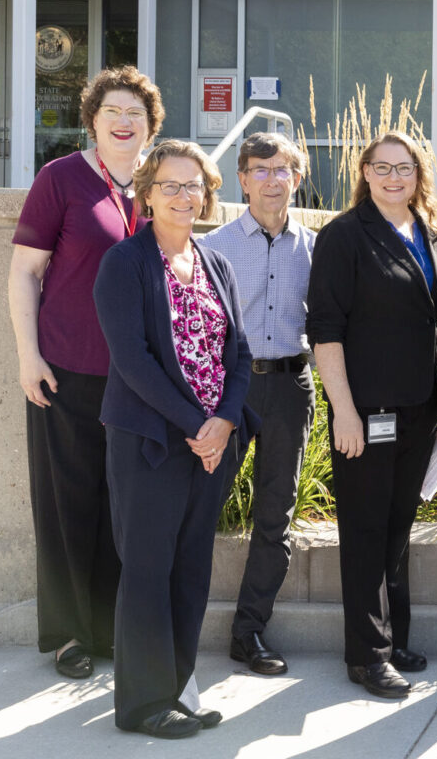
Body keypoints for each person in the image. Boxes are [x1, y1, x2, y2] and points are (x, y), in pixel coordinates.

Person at [93, 139, 258, 739]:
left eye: (195, 185)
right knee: (147, 569)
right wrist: (196, 425)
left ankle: (176, 689)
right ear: (148, 194)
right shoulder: (125, 262)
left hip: (211, 446)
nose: (185, 196)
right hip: (151, 443)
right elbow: (132, 361)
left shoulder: (217, 263)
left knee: (190, 568)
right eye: (172, 185)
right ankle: (141, 705)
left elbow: (239, 352)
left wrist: (225, 421)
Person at [8, 65, 163, 680]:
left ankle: (112, 628)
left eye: (136, 113)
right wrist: (28, 353)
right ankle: (70, 633)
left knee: (126, 506)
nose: (124, 123)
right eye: (112, 112)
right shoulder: (62, 179)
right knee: (67, 501)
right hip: (67, 369)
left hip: (144, 379)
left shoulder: (161, 182)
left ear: (151, 124)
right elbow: (24, 271)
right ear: (92, 121)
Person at [307, 131, 437, 700]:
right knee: (366, 530)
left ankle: (394, 638)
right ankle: (366, 656)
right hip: (366, 410)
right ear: (364, 172)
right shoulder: (344, 236)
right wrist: (343, 410)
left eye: (406, 167)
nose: (395, 177)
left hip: (422, 406)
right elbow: (325, 329)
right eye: (383, 167)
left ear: (419, 174)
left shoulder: (433, 233)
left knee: (396, 528)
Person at [201, 132, 316, 678]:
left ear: (297, 177)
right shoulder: (214, 246)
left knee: (277, 515)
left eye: (283, 169)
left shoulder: (315, 246)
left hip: (292, 386)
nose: (273, 179)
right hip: (231, 391)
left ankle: (248, 633)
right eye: (260, 170)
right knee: (200, 503)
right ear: (243, 178)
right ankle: (171, 622)